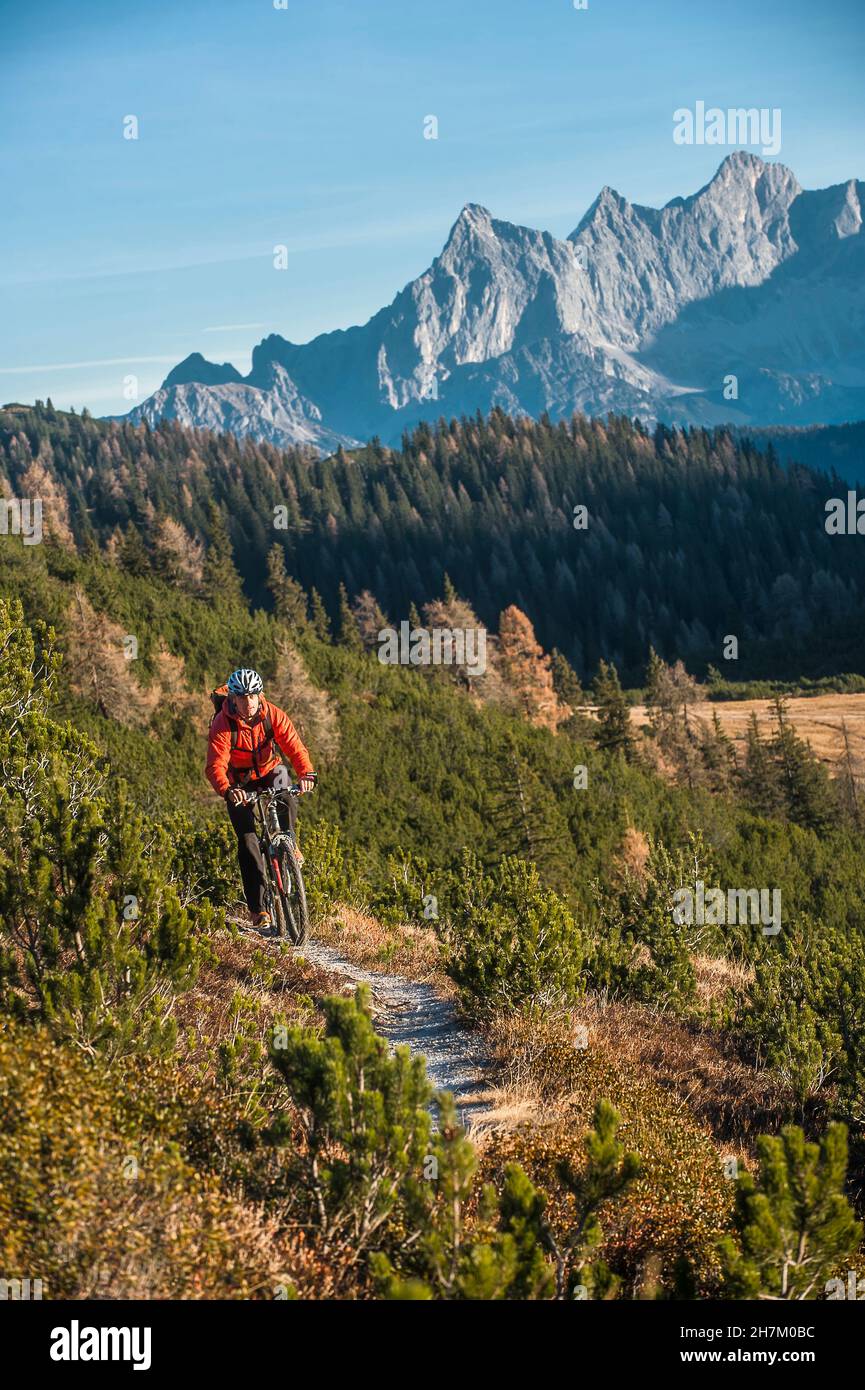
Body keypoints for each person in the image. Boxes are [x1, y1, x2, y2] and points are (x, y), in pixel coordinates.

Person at [205, 667, 317, 929]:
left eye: (253, 695)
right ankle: (259, 910)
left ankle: (288, 840)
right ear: (232, 698)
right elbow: (215, 766)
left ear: (260, 694)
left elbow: (294, 745)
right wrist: (228, 789)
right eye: (243, 697)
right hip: (239, 782)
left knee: (286, 794)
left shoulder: (272, 714)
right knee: (248, 840)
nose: (249, 702)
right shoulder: (223, 724)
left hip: (270, 770)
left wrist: (307, 773)